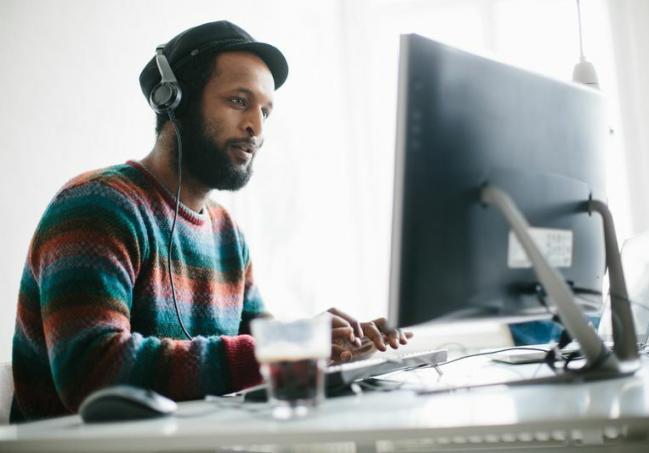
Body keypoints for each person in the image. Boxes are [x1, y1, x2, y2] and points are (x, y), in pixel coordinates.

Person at [10, 20, 409, 423]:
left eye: (265, 111)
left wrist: (336, 347)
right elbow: (92, 371)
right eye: (239, 101)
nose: (257, 128)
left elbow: (259, 343)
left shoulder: (226, 234)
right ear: (174, 102)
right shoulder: (96, 206)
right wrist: (287, 348)